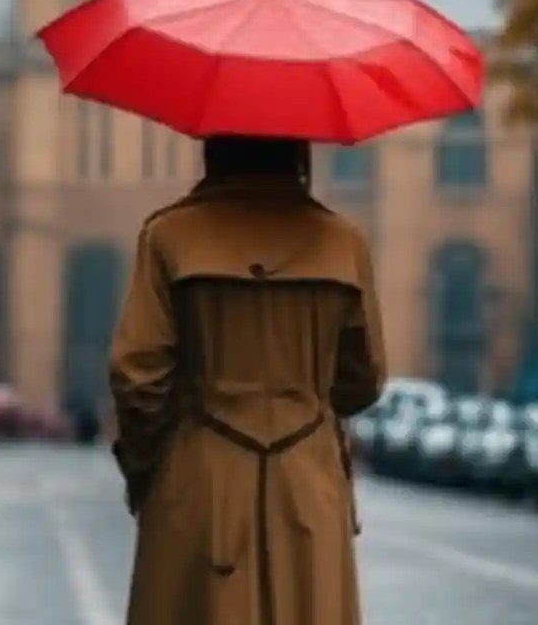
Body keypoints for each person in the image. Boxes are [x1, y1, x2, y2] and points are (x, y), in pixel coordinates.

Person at [109, 135, 386, 625]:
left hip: (199, 476)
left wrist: (146, 470)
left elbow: (138, 377)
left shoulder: (169, 236)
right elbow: (363, 381)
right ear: (298, 151)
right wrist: (308, 390)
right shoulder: (343, 242)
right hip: (308, 479)